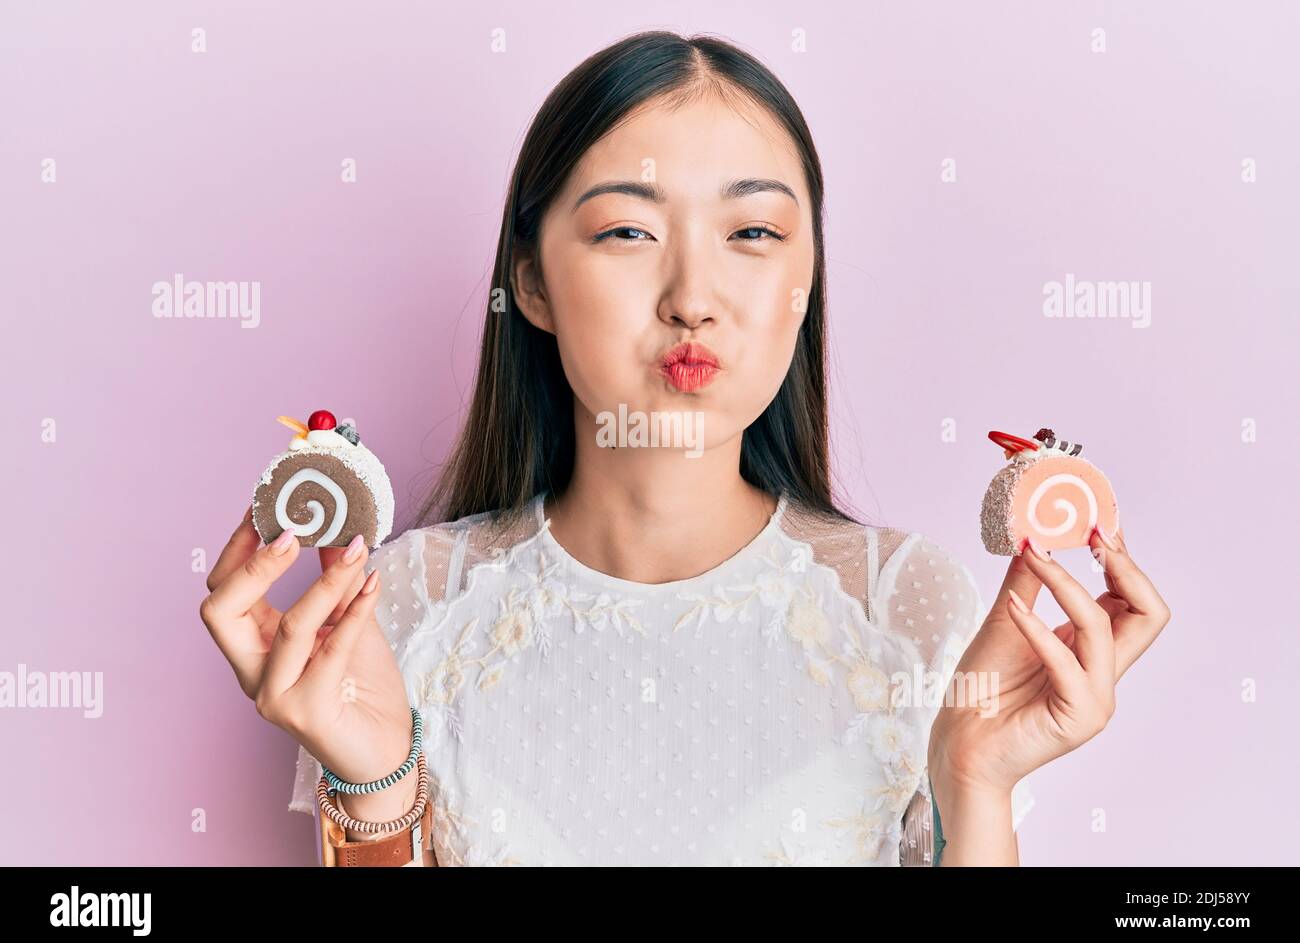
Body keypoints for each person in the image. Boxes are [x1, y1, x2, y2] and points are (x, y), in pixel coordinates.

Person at [199, 30, 1170, 866]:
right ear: (530, 283)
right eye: (627, 229)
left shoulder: (909, 607)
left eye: (752, 230)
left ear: (805, 279)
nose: (691, 296)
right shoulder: (399, 607)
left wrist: (974, 782)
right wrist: (374, 778)